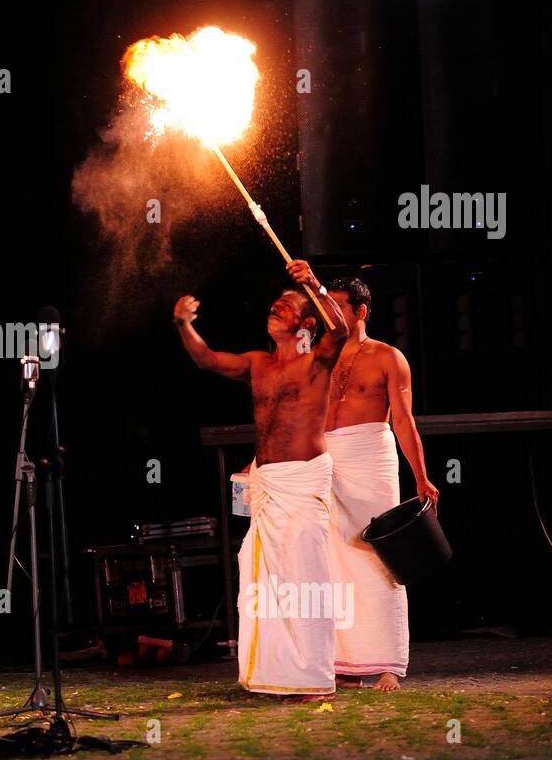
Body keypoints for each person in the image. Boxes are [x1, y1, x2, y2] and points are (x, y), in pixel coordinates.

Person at [174, 260, 347, 698]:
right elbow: (205, 359)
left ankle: (316, 679)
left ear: (306, 322)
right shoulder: (257, 364)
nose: (275, 307)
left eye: (285, 306)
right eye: (274, 304)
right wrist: (182, 324)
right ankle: (278, 672)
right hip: (268, 484)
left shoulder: (317, 361)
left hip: (303, 482)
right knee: (262, 579)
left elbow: (340, 330)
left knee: (306, 580)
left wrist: (313, 284)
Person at [323, 276, 437, 691]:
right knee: (332, 562)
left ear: (360, 310)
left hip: (370, 454)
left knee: (379, 557)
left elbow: (404, 420)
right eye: (326, 307)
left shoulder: (388, 357)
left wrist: (421, 477)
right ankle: (346, 663)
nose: (330, 315)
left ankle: (389, 664)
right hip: (325, 456)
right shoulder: (320, 356)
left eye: (338, 307)